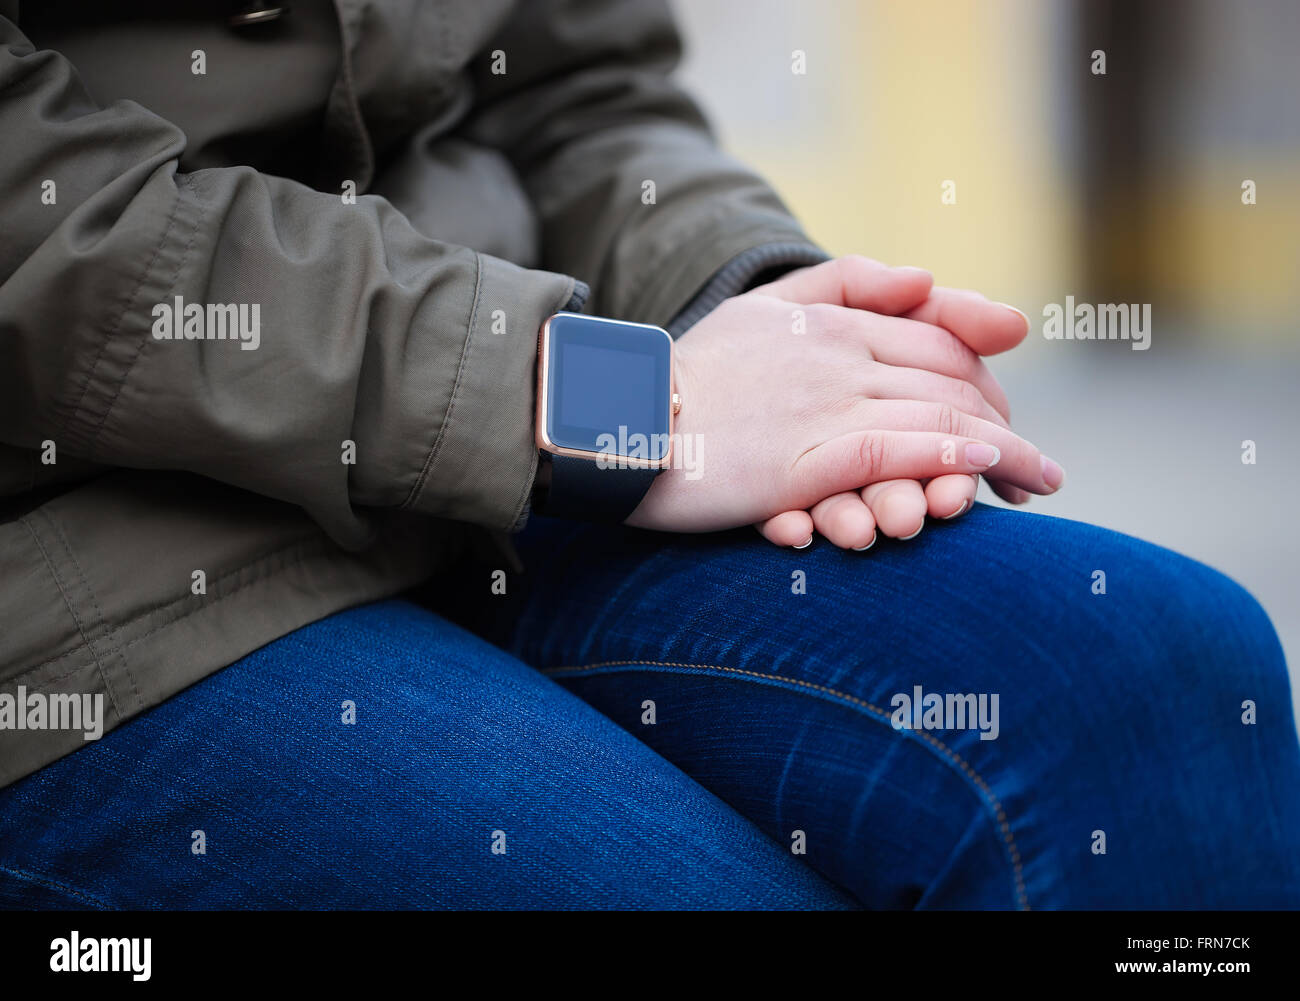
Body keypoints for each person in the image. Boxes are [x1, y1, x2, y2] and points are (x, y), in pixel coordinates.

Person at [0, 1, 1296, 910]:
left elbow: (581, 88)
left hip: (525, 471)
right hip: (90, 579)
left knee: (1156, 666)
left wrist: (765, 318)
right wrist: (608, 397)